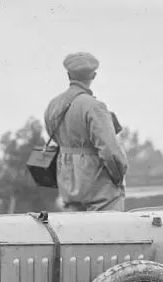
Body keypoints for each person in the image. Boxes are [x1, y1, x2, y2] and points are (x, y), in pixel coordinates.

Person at [44, 52, 128, 212]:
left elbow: (54, 137)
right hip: (97, 186)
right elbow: (110, 151)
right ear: (93, 76)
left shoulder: (53, 105)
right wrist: (118, 178)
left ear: (68, 75)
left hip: (68, 184)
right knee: (110, 232)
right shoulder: (94, 106)